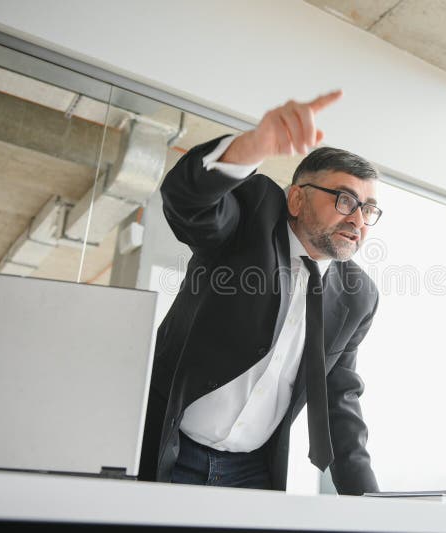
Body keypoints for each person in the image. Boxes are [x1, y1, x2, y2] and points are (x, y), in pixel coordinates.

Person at [140, 90, 383, 496]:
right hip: (170, 449)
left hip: (253, 473)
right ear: (296, 197)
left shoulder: (358, 296)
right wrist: (251, 146)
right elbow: (187, 203)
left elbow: (340, 401)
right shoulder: (254, 212)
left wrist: (372, 504)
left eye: (369, 208)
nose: (358, 218)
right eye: (344, 200)